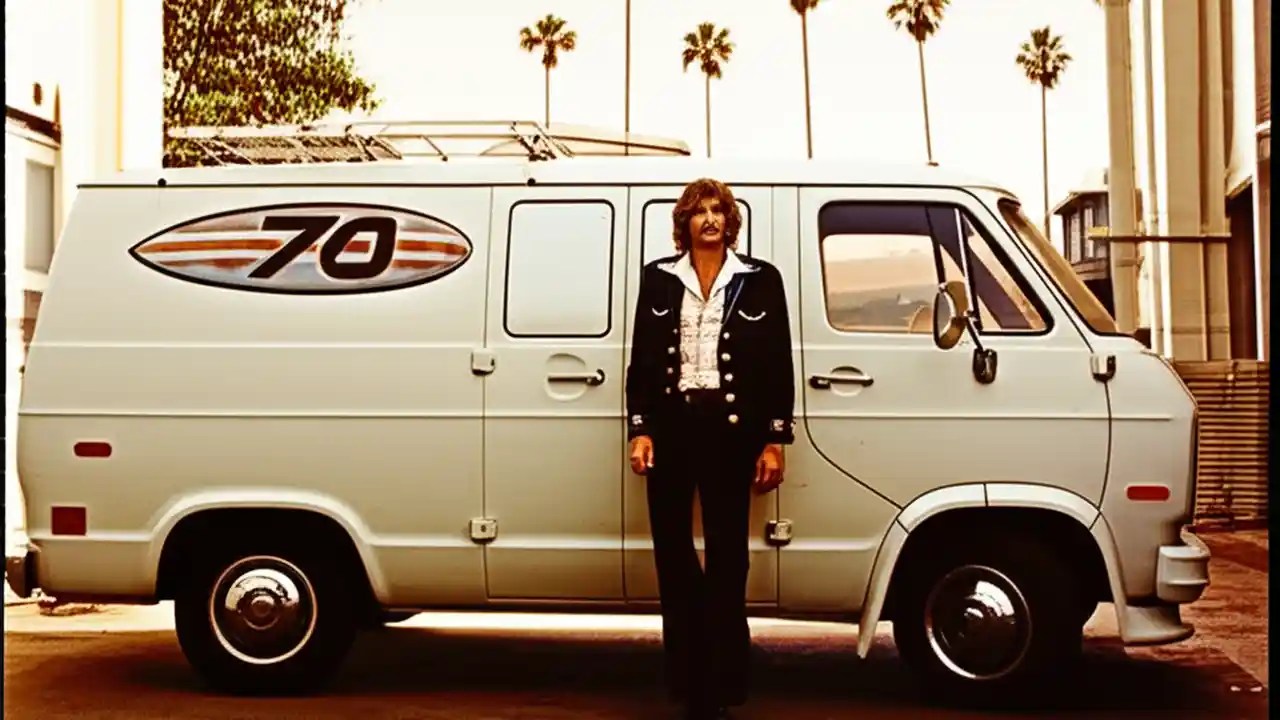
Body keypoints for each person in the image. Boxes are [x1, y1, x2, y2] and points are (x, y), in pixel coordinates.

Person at [625, 178, 796, 719]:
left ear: (731, 219)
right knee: (672, 555)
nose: (709, 219)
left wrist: (773, 438)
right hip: (672, 428)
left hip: (730, 434)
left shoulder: (760, 279)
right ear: (685, 222)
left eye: (718, 209)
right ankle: (686, 681)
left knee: (728, 557)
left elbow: (777, 363)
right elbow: (642, 360)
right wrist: (640, 428)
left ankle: (722, 683)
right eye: (699, 211)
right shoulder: (657, 279)